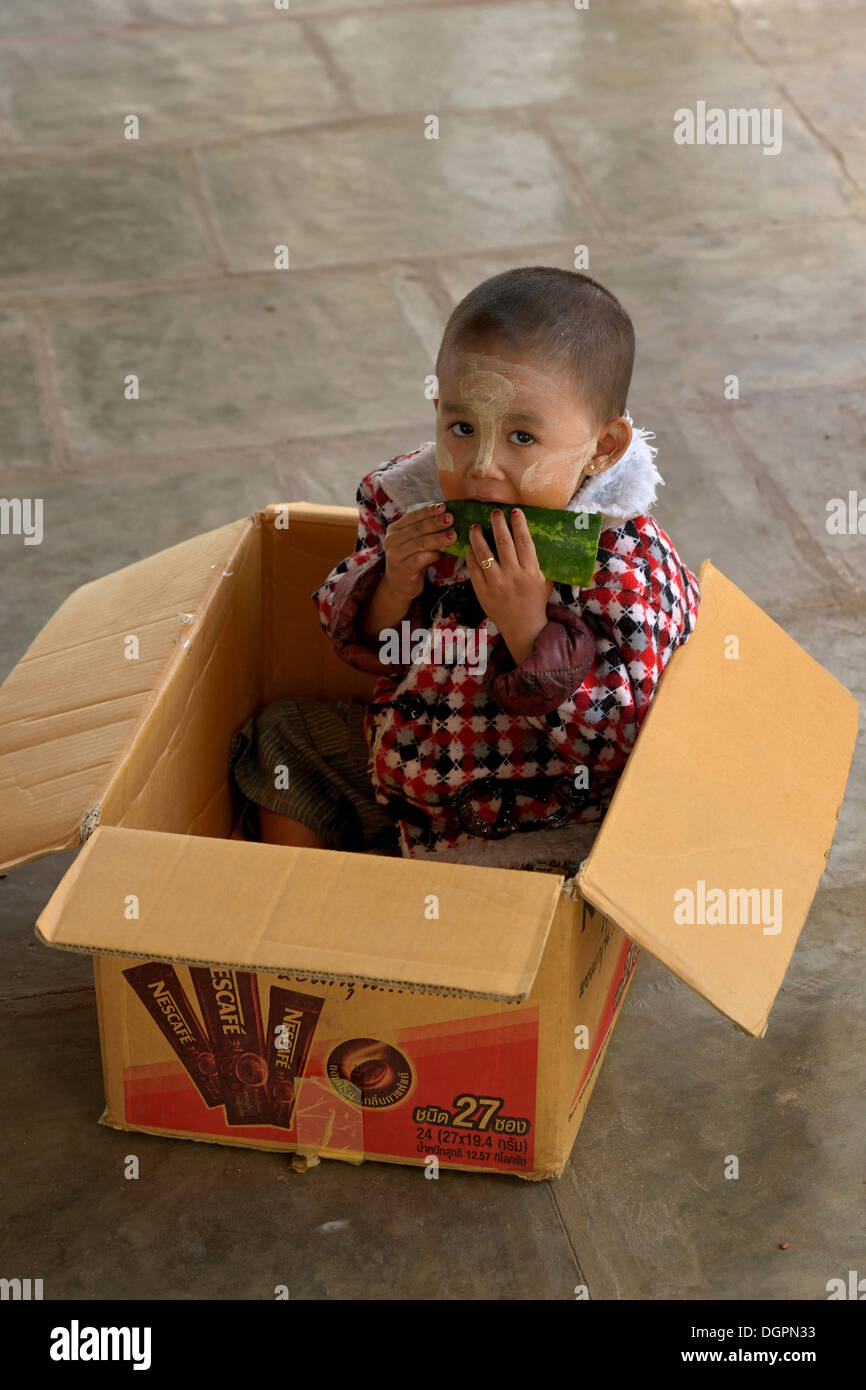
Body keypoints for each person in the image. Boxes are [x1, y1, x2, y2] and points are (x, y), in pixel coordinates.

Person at [229, 266, 701, 873]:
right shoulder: (407, 502)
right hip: (408, 769)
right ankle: (290, 903)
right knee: (285, 732)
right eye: (461, 427)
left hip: (533, 819)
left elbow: (620, 744)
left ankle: (403, 899)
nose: (481, 466)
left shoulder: (625, 565)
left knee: (570, 875)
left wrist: (528, 629)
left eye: (522, 437)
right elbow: (373, 646)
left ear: (602, 448)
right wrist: (392, 584)